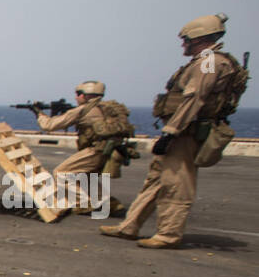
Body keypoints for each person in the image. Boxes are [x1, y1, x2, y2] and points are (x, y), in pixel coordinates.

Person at [101, 14, 246, 248]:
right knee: (156, 180)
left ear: (198, 38)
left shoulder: (209, 62)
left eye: (186, 40)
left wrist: (170, 132)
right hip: (183, 130)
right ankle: (129, 226)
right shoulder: (204, 61)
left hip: (186, 132)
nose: (183, 44)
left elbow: (195, 99)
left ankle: (168, 235)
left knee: (177, 184)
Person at [32, 82, 134, 214]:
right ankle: (108, 202)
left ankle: (84, 203)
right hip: (114, 150)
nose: (76, 97)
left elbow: (49, 125)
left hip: (96, 149)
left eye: (78, 94)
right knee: (85, 174)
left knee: (62, 173)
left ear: (86, 95)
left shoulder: (83, 110)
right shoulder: (107, 107)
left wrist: (39, 114)